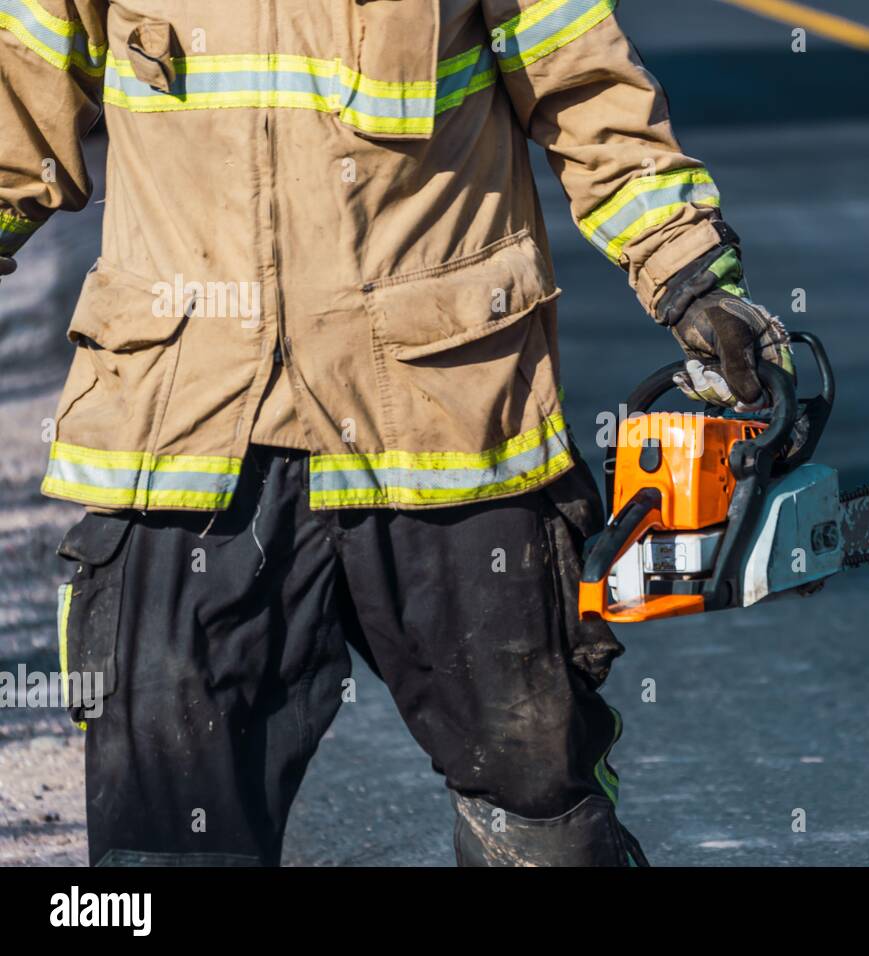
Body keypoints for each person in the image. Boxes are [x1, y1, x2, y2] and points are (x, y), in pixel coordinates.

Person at [0, 0, 793, 866]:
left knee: (538, 803)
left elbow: (585, 90)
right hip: (185, 442)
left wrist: (687, 275)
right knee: (163, 834)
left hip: (445, 431)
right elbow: (15, 112)